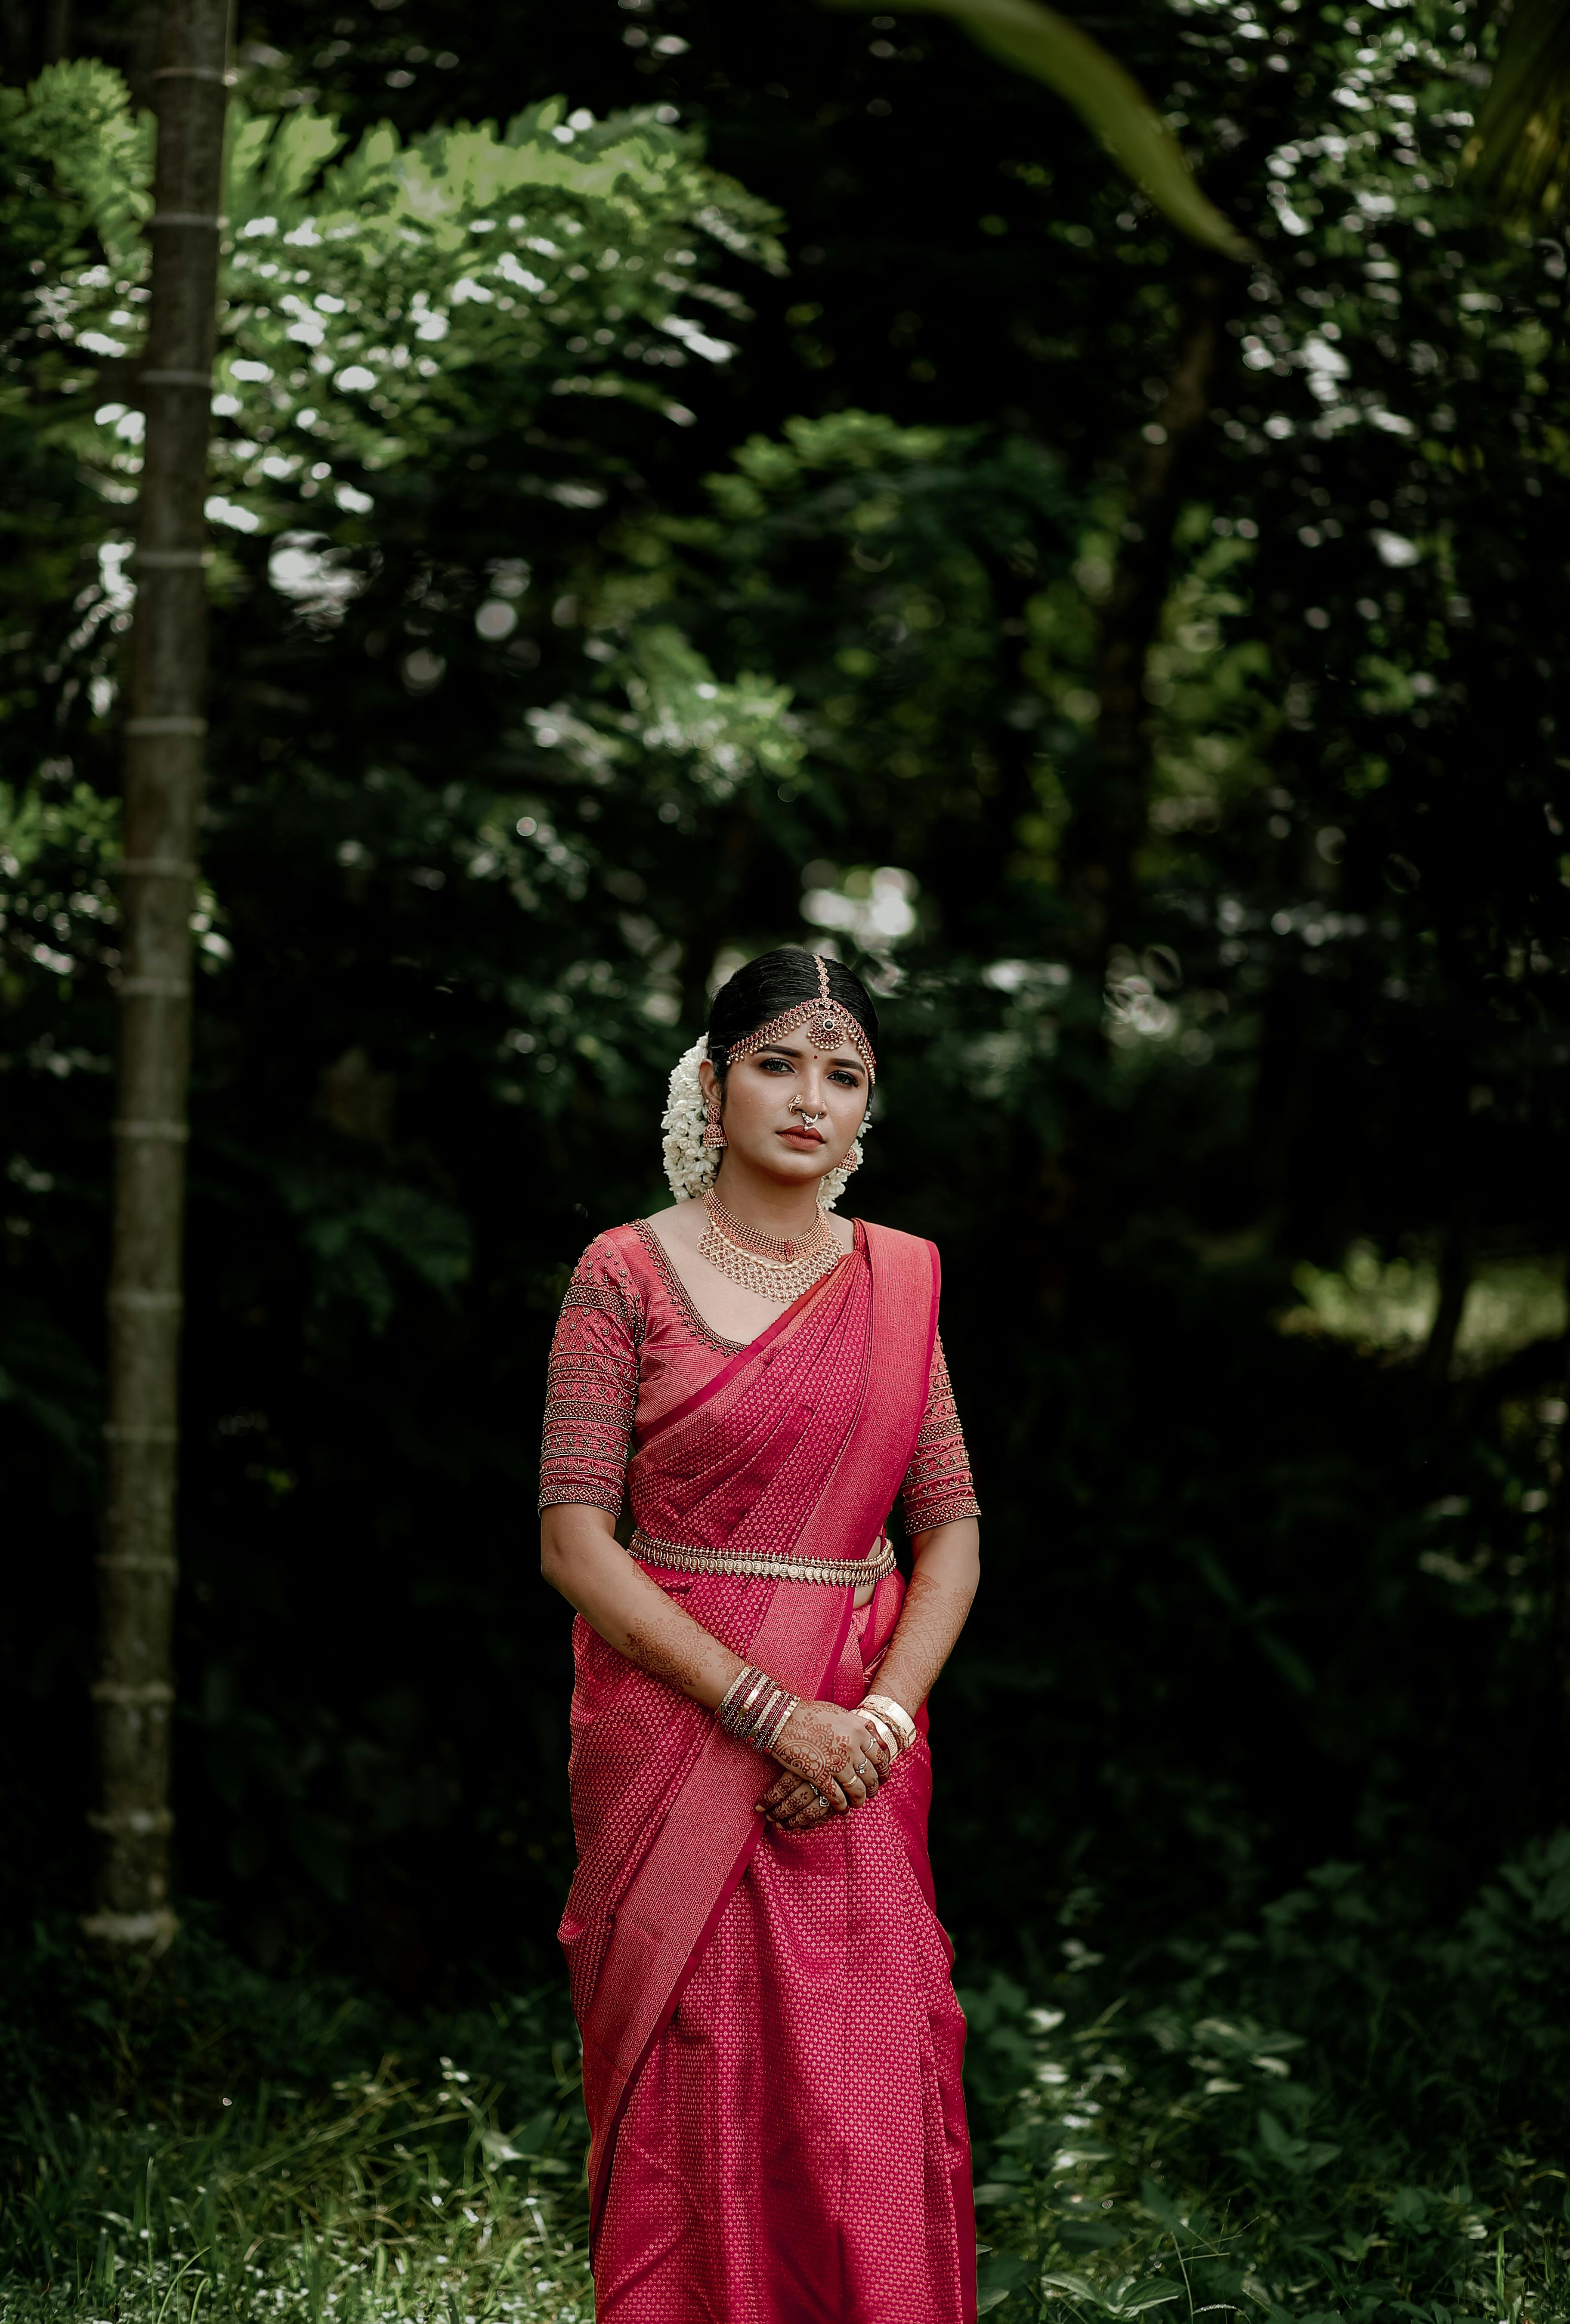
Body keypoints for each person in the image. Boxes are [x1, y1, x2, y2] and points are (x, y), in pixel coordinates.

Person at [539, 945, 983, 2323]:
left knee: (864, 2105)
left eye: (844, 1074)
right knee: (695, 2084)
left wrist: (877, 1723)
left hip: (854, 1750)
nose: (810, 1097)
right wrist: (762, 1709)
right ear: (713, 1082)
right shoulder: (623, 1275)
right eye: (778, 1063)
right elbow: (571, 1540)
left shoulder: (899, 1281)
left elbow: (950, 1528)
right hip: (677, 1740)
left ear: (868, 1111)